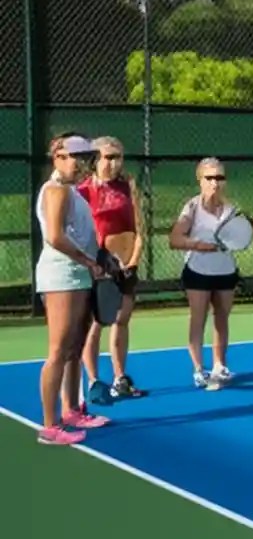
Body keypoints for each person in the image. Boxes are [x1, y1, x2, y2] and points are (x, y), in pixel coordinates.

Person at [35, 133, 109, 444]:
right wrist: (88, 262)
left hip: (78, 274)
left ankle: (71, 410)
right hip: (62, 275)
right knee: (58, 350)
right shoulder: (56, 191)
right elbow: (55, 236)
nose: (79, 162)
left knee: (75, 349)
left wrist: (97, 259)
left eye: (83, 156)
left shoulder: (71, 191)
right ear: (57, 158)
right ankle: (51, 426)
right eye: (72, 156)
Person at [77, 135, 146, 404]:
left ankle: (120, 378)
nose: (113, 163)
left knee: (122, 319)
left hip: (126, 264)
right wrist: (94, 263)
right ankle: (94, 381)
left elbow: (140, 229)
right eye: (107, 157)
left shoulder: (128, 186)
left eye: (117, 157)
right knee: (97, 322)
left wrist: (133, 261)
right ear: (95, 159)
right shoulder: (83, 191)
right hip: (99, 263)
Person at [169, 157, 240, 390]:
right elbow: (175, 239)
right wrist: (199, 245)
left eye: (220, 177)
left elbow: (241, 238)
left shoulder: (231, 210)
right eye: (209, 178)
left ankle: (220, 365)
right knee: (198, 319)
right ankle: (199, 369)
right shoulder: (191, 208)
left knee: (222, 319)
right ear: (200, 180)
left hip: (226, 271)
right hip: (198, 271)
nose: (215, 183)